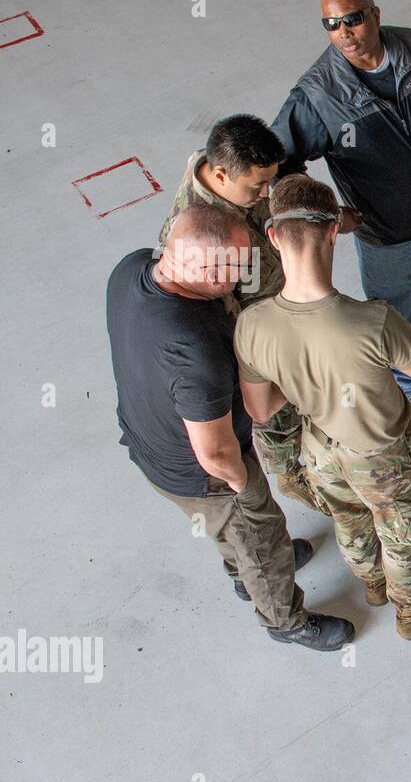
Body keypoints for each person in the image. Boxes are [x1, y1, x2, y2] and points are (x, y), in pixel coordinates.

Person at [107, 204, 354, 651]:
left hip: (151, 444)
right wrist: (246, 489)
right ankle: (284, 619)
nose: (244, 275)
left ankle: (245, 572)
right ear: (203, 266)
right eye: (237, 267)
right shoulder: (194, 350)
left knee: (231, 533)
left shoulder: (131, 268)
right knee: (259, 531)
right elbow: (218, 453)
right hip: (205, 472)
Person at [235, 175, 411, 641]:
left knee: (350, 518)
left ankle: (374, 586)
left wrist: (309, 378)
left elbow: (260, 408)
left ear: (274, 235)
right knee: (405, 533)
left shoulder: (252, 325)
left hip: (319, 449)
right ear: (332, 232)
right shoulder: (374, 320)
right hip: (382, 454)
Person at [271, 0, 411, 432]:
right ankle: (409, 386)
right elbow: (280, 163)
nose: (344, 33)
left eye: (353, 19)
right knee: (391, 310)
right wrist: (328, 216)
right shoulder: (318, 95)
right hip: (385, 230)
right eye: (331, 24)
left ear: (375, 14)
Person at [158, 114, 322, 513]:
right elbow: (213, 311)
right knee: (275, 415)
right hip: (253, 327)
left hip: (275, 296)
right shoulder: (200, 231)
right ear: (219, 174)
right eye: (258, 186)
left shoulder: (220, 167)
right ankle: (289, 472)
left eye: (270, 180)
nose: (268, 194)